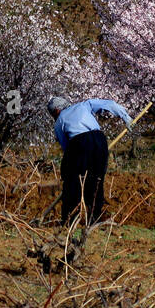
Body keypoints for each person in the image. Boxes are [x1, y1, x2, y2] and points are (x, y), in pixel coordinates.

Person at [47, 95, 132, 226]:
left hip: (78, 143)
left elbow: (66, 147)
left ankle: (69, 218)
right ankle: (94, 218)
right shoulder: (84, 105)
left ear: (57, 110)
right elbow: (109, 104)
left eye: (52, 114)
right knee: (97, 179)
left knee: (71, 180)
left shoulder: (59, 121)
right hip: (99, 139)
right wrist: (126, 117)